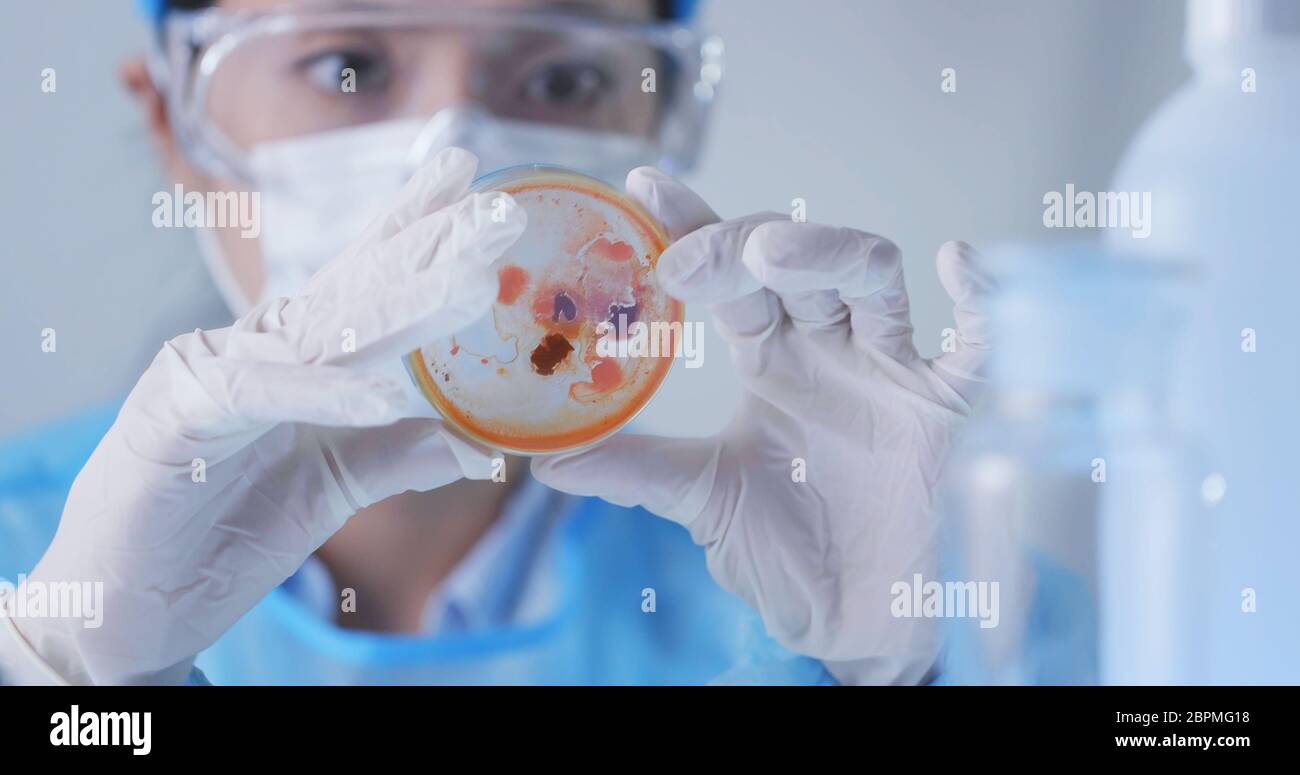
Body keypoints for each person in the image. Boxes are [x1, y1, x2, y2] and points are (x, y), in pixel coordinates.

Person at [0, 0, 992, 685]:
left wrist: (884, 676)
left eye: (562, 74)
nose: (454, 147)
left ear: (668, 118)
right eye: (348, 65)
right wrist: (75, 688)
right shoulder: (34, 566)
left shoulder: (843, 581)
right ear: (178, 122)